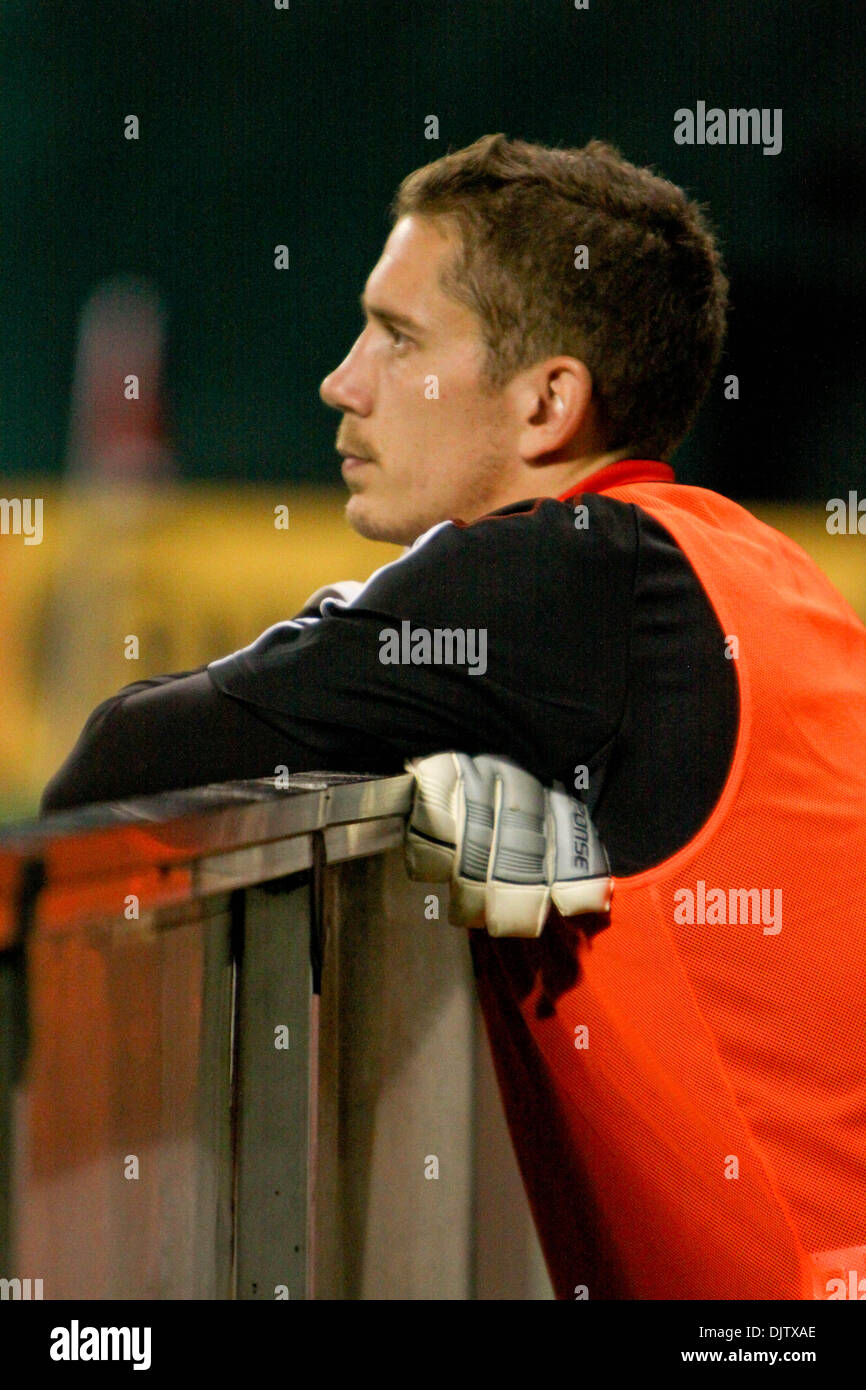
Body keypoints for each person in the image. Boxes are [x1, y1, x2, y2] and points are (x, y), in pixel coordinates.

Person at [41, 135, 866, 1301]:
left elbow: (113, 765)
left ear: (546, 401)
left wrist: (378, 677)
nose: (343, 380)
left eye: (398, 336)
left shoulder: (547, 579)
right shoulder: (748, 566)